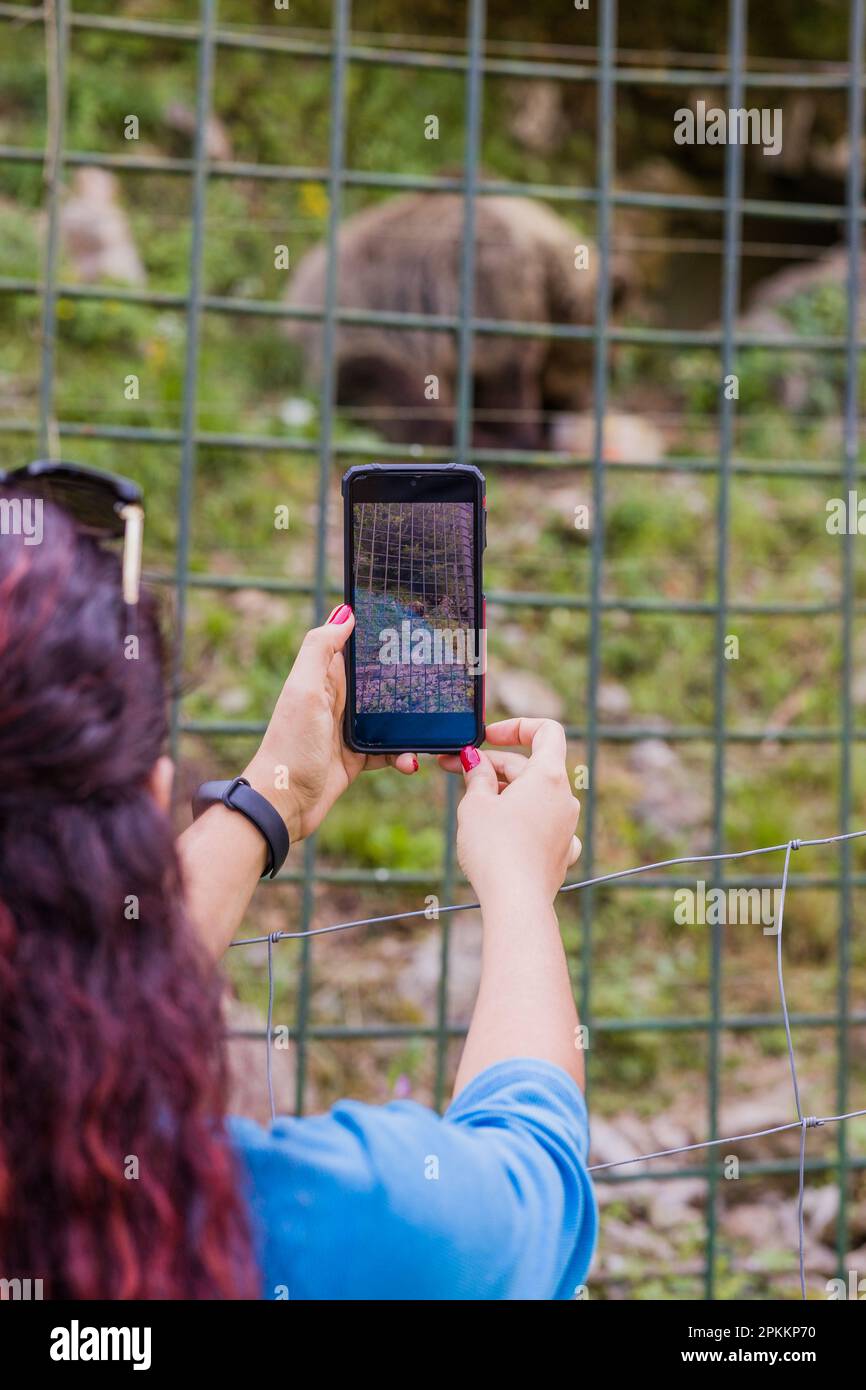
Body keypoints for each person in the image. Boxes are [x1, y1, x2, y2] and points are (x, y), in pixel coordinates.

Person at [0, 491, 596, 1300]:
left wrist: (270, 801)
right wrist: (523, 889)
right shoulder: (326, 1225)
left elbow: (72, 972)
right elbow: (533, 1186)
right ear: (152, 795)